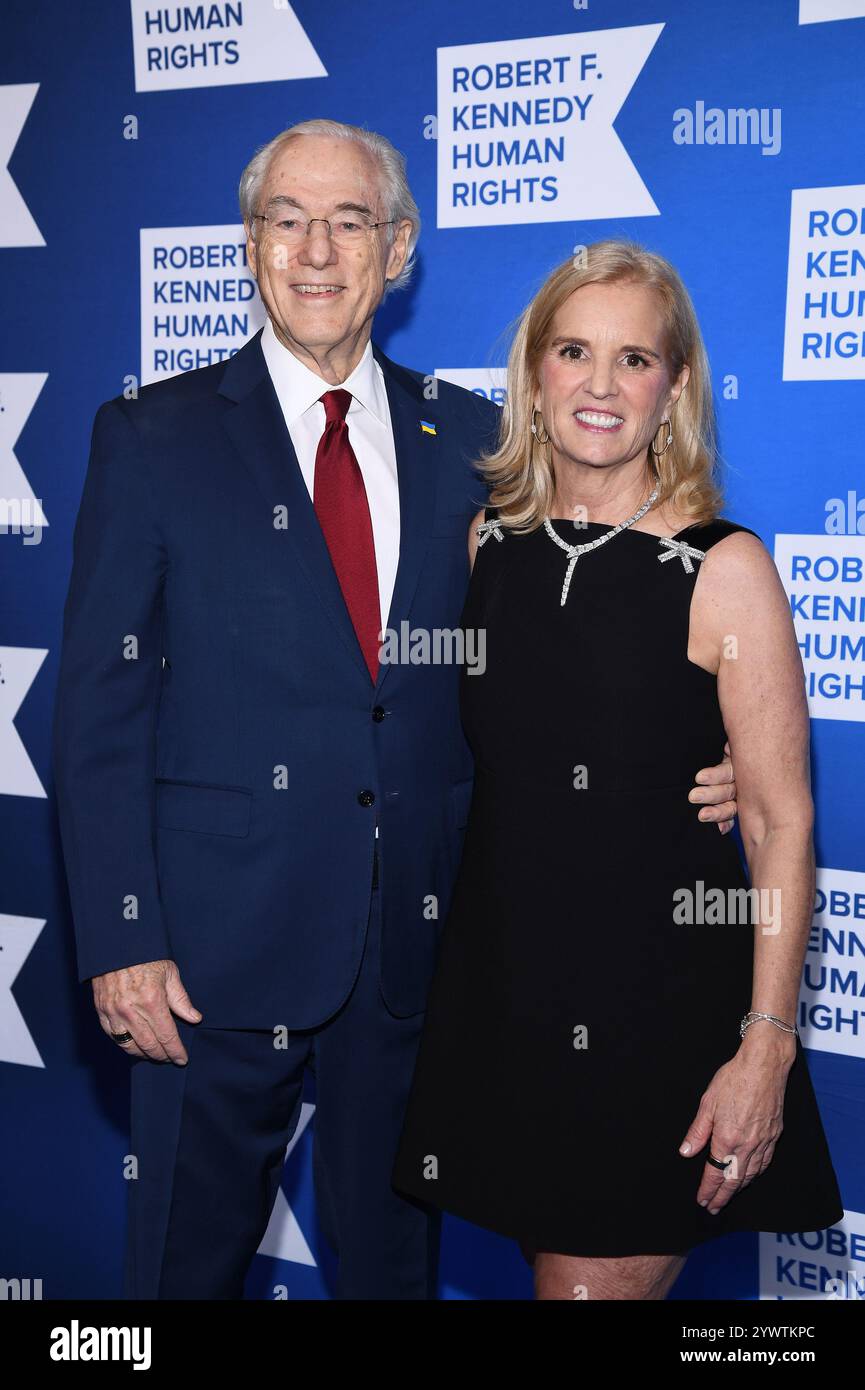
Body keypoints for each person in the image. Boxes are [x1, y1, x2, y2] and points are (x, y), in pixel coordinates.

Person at [52, 123, 737, 1301]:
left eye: (351, 221)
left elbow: (560, 649)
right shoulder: (149, 436)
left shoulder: (475, 445)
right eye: (287, 220)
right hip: (207, 959)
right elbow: (99, 706)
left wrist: (706, 737)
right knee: (180, 1272)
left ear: (400, 248)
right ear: (250, 245)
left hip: (418, 952)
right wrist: (121, 937)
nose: (317, 250)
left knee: (391, 1274)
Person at [392, 241, 844, 1301]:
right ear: (535, 373)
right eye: (574, 350)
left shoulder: (724, 569)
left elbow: (781, 822)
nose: (600, 384)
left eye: (634, 358)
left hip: (658, 1014)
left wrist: (766, 1047)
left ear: (675, 386)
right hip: (507, 1002)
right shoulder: (487, 547)